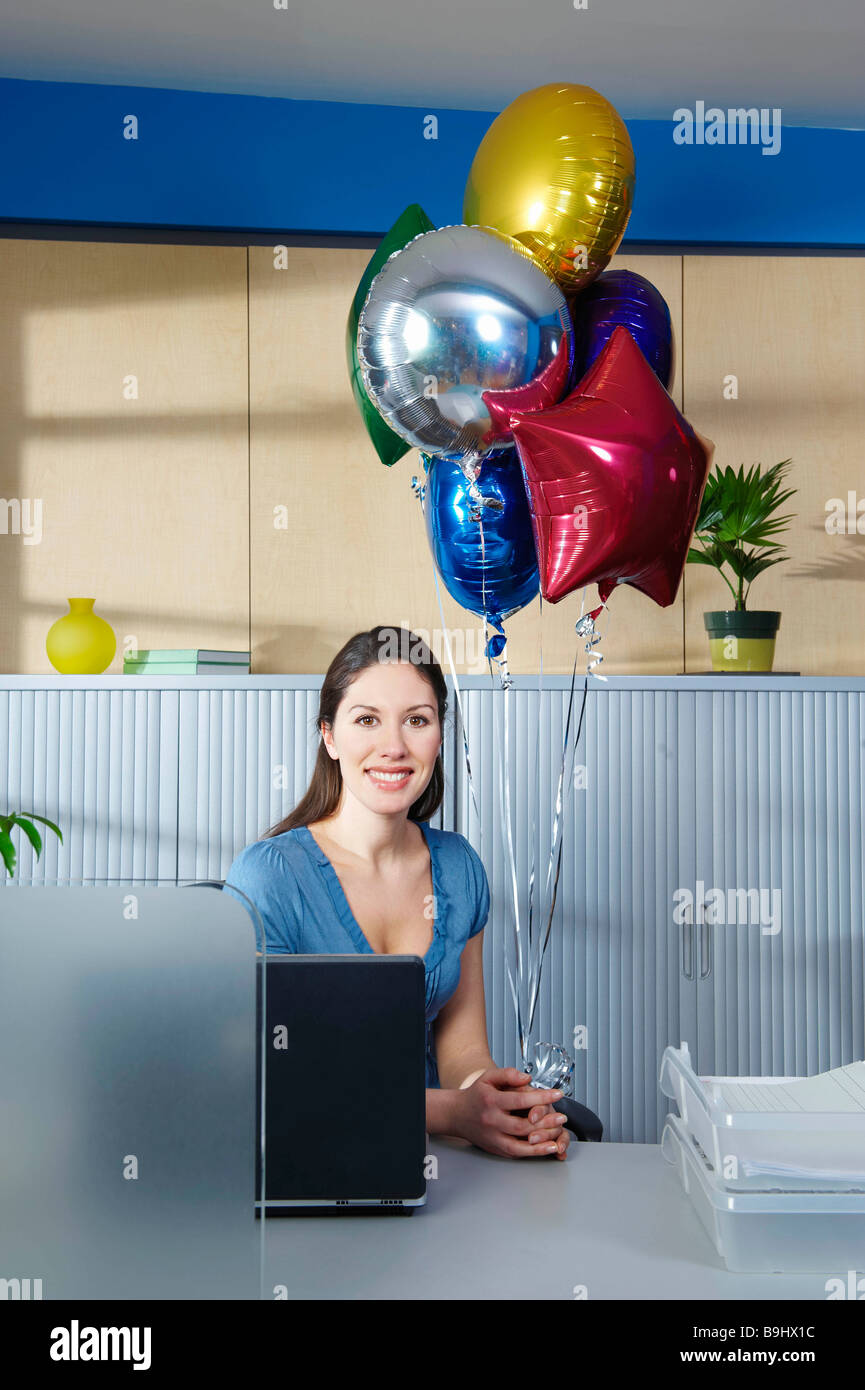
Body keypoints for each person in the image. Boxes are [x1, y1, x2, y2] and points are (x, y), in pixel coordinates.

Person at [224, 625, 569, 1161]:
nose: (393, 747)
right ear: (330, 736)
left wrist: (501, 1104)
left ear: (438, 735)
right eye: (366, 720)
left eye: (417, 720)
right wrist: (454, 1112)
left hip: (432, 1161)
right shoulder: (269, 877)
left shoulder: (458, 867)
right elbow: (274, 1075)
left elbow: (462, 1052)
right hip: (306, 1160)